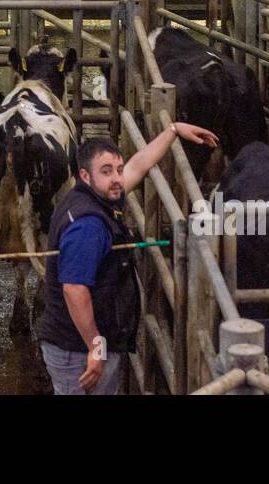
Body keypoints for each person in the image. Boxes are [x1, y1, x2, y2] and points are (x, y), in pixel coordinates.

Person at [38, 127, 218, 395]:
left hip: (79, 342)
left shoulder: (89, 196)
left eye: (118, 169)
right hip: (77, 350)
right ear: (85, 175)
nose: (117, 178)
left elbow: (139, 164)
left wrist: (173, 131)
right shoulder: (88, 226)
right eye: (106, 171)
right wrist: (95, 347)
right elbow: (74, 289)